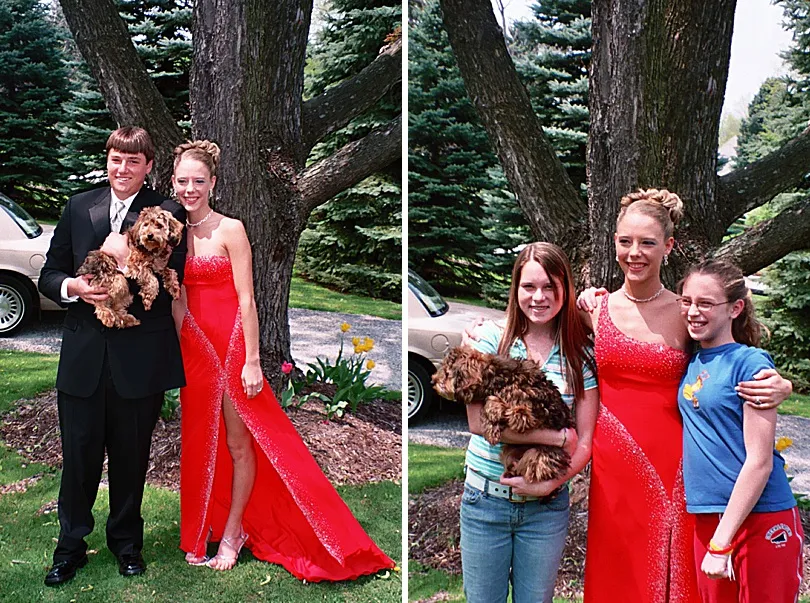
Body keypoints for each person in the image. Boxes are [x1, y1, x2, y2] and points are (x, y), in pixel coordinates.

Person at [171, 140, 395, 579]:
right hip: (194, 352)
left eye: (199, 181)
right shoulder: (173, 231)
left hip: (233, 349)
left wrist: (252, 360)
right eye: (183, 181)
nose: (190, 189)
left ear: (213, 183)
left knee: (239, 444)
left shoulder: (230, 229)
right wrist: (184, 337)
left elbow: (248, 299)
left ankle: (233, 533)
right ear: (173, 182)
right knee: (200, 444)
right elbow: (175, 295)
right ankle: (202, 530)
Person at [575, 189, 793, 602]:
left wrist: (781, 384)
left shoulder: (687, 310)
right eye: (625, 241)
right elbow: (544, 344)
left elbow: (730, 358)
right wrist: (482, 336)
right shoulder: (593, 308)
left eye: (647, 243)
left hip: (675, 463)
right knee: (618, 568)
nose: (634, 252)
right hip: (612, 467)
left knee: (676, 573)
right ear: (614, 242)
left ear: (668, 247)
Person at [39, 127, 187, 585]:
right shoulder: (79, 205)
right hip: (83, 360)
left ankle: (127, 545)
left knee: (131, 460)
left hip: (138, 362)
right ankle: (71, 547)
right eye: (115, 159)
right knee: (78, 460)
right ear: (107, 160)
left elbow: (171, 281)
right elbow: (50, 274)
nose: (122, 169)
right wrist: (74, 288)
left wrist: (126, 270)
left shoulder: (167, 213)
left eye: (133, 161)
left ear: (148, 166)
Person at [459, 242, 600, 603]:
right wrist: (556, 438)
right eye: (529, 287)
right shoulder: (492, 340)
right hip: (484, 500)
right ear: (515, 289)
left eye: (550, 287)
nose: (539, 297)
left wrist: (553, 482)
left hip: (546, 508)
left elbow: (585, 441)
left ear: (565, 289)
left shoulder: (579, 353)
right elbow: (478, 424)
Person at [677, 259, 803, 602]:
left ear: (735, 308)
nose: (692, 312)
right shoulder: (690, 360)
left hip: (760, 517)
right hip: (707, 516)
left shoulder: (750, 364)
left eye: (705, 303)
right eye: (687, 301)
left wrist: (723, 539)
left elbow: (760, 461)